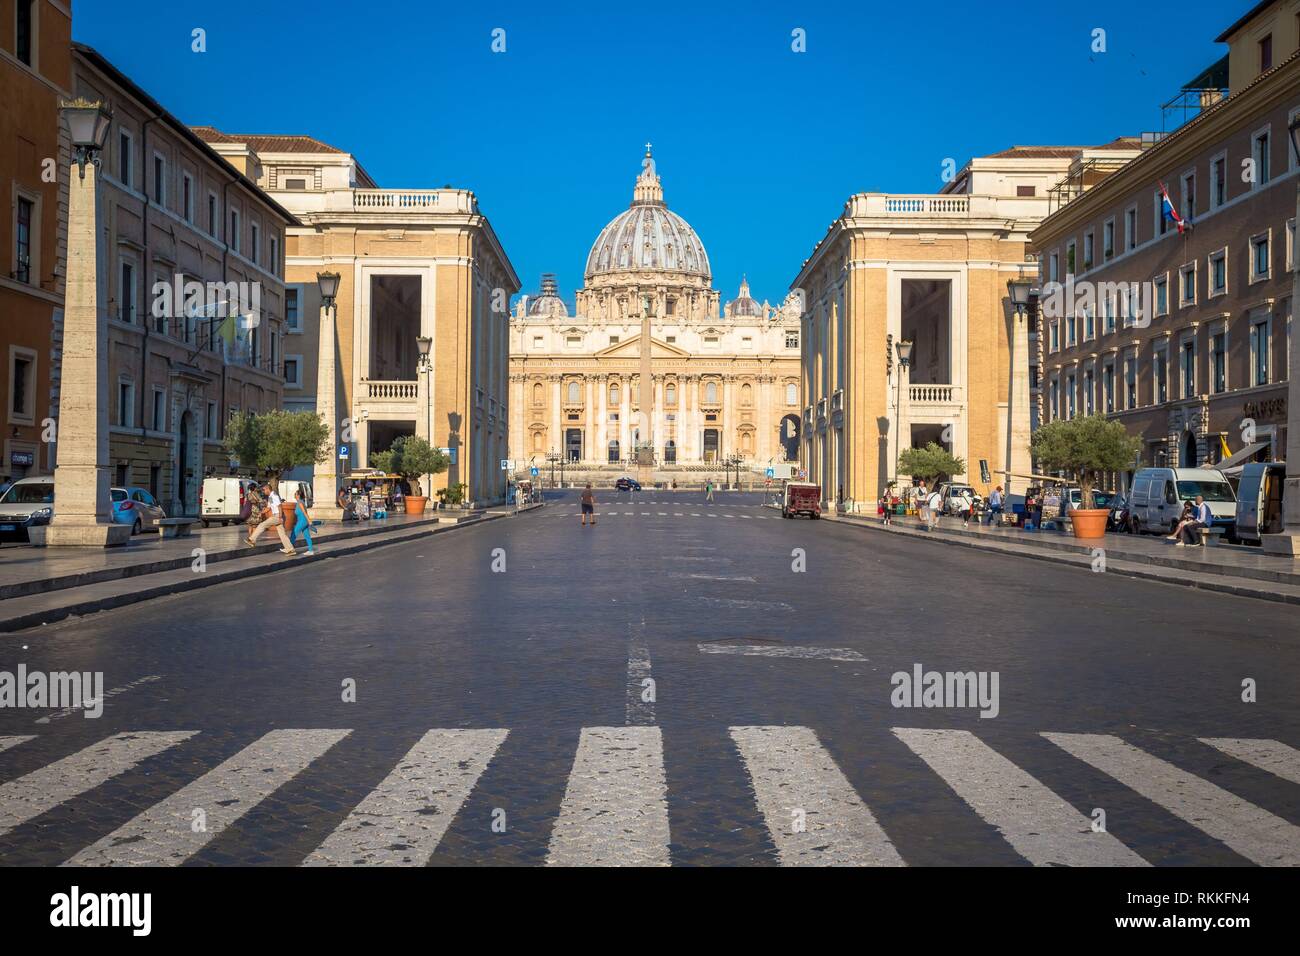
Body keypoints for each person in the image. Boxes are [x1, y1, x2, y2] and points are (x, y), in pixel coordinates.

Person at [248, 482, 294, 553]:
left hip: (277, 516)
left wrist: (280, 517)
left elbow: (279, 506)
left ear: (267, 489)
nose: (263, 491)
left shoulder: (274, 496)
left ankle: (252, 540)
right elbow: (268, 508)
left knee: (262, 525)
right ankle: (290, 549)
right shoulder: (270, 497)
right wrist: (261, 512)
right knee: (282, 534)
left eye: (264, 490)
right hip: (277, 516)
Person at [288, 487, 315, 556]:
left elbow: (304, 512)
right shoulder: (301, 502)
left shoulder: (300, 502)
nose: (294, 495)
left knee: (294, 533)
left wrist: (309, 521)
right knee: (307, 536)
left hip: (303, 521)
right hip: (303, 521)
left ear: (298, 495)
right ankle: (311, 551)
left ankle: (289, 549)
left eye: (295, 494)